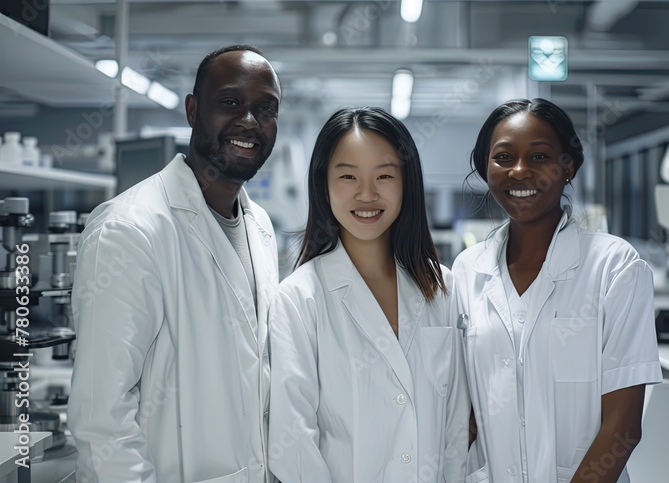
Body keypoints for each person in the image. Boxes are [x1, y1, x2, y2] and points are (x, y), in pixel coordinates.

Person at [68, 45, 282, 483]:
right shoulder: (129, 229)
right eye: (229, 103)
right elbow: (101, 419)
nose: (249, 122)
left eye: (265, 109)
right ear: (192, 110)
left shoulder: (260, 226)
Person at [453, 98, 662, 483]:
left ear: (567, 168)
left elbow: (624, 426)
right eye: (503, 157)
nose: (519, 171)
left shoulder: (614, 266)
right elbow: (466, 413)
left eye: (539, 156)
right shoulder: (467, 271)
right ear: (486, 168)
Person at [267, 107, 469, 482]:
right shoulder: (300, 299)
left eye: (385, 176)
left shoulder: (442, 288)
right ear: (322, 183)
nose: (366, 194)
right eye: (347, 176)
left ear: (407, 182)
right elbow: (293, 441)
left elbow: (455, 428)